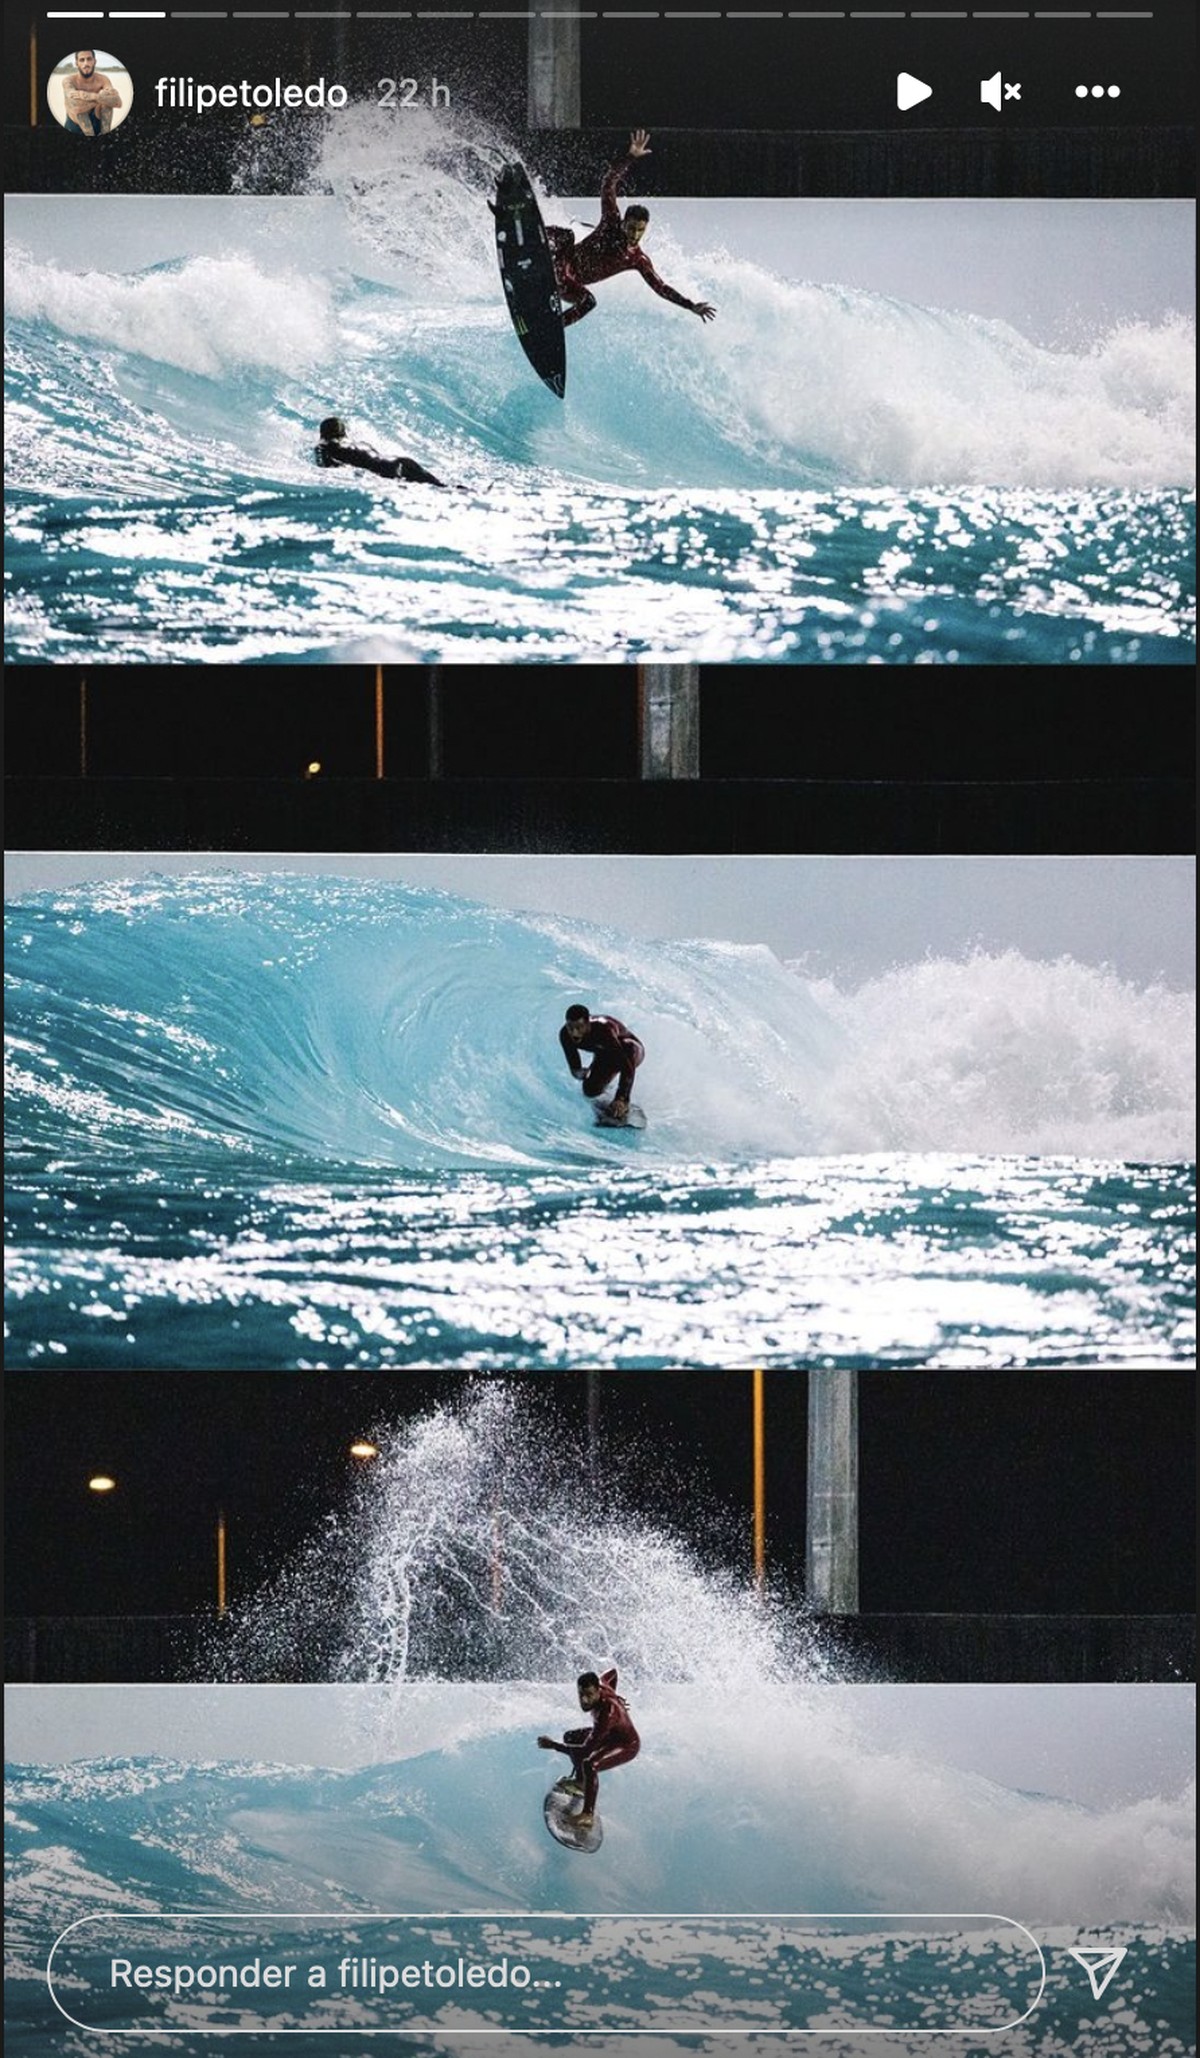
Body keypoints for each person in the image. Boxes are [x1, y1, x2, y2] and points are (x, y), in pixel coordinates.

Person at [545, 130, 716, 331]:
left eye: (640, 230)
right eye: (632, 228)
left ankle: (551, 328)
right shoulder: (611, 222)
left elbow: (661, 288)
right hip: (558, 262)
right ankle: (531, 235)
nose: (635, 234)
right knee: (567, 235)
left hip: (567, 284)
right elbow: (608, 184)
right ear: (624, 222)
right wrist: (630, 157)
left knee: (589, 301)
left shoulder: (638, 259)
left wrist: (690, 305)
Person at [538, 1668, 640, 1832]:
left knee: (590, 1765)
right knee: (571, 1737)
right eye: (581, 1695)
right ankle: (580, 1782)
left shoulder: (606, 1715)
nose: (585, 1700)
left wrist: (553, 1745)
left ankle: (587, 1816)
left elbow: (586, 1751)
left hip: (626, 1744)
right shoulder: (604, 1687)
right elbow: (612, 1673)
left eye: (589, 1695)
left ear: (598, 1691)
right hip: (609, 1735)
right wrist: (615, 1693)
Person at [559, 1005, 644, 1124]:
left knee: (627, 1047)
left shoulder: (603, 1029)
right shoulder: (565, 1035)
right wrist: (579, 1073)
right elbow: (575, 1066)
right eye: (570, 1027)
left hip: (631, 1052)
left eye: (579, 1027)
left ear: (588, 1023)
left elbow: (626, 1065)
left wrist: (622, 1097)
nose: (574, 1033)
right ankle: (609, 1100)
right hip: (605, 1054)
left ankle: (623, 1105)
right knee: (590, 1090)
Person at [314, 418, 447, 486]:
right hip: (401, 461)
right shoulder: (360, 443)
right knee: (443, 487)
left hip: (386, 471)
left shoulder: (325, 446)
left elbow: (327, 468)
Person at [62, 51, 122, 137]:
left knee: (105, 98)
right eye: (82, 60)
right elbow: (76, 108)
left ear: (94, 61)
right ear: (76, 63)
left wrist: (92, 96)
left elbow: (118, 102)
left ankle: (106, 137)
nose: (86, 63)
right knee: (101, 99)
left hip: (98, 123)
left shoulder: (103, 79)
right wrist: (100, 99)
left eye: (89, 59)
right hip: (75, 126)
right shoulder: (69, 81)